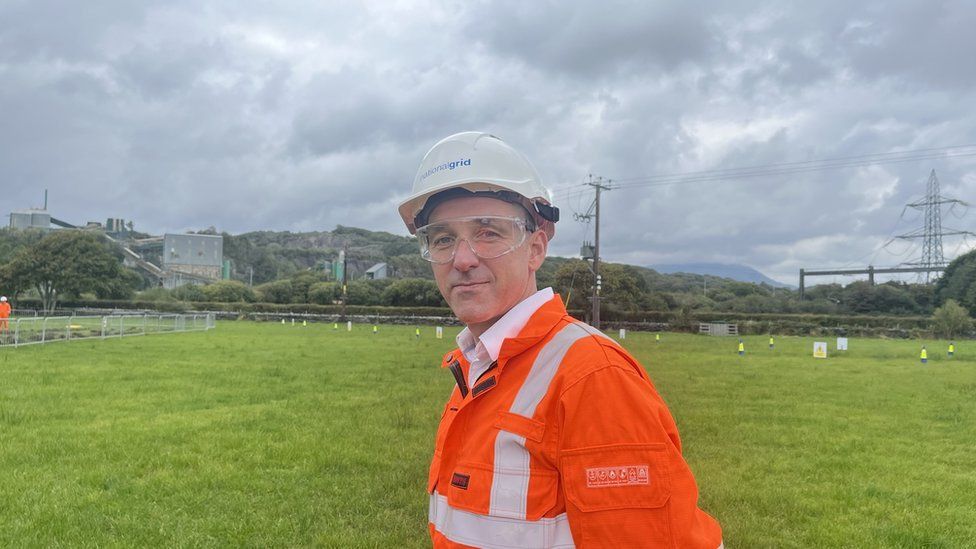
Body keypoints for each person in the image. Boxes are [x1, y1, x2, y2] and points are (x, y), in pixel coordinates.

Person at [398, 132, 723, 548]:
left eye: (489, 233)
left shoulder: (591, 376)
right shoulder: (479, 366)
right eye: (442, 238)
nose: (462, 259)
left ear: (536, 248)